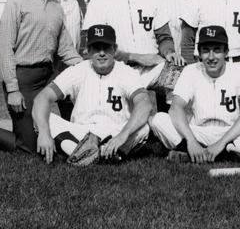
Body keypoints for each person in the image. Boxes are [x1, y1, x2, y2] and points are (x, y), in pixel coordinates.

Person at [0, 0, 83, 154]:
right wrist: (13, 89)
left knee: (72, 99)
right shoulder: (16, 2)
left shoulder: (56, 6)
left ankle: (75, 136)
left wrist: (86, 68)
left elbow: (65, 47)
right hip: (24, 78)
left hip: (48, 75)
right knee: (30, 147)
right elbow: (5, 48)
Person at [81, 0, 185, 111]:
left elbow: (164, 37)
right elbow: (88, 51)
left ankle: (167, 126)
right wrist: (135, 56)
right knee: (125, 123)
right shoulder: (99, 1)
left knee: (179, 73)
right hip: (116, 68)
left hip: (151, 69)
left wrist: (169, 52)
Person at [32, 24, 153, 166]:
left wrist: (122, 135)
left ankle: (83, 153)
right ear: (88, 51)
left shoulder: (126, 72)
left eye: (106, 48)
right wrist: (44, 133)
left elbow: (144, 104)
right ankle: (103, 154)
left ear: (115, 49)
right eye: (96, 48)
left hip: (115, 131)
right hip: (82, 133)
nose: (101, 53)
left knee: (143, 128)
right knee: (44, 119)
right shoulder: (78, 70)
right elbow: (43, 98)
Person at [149, 25, 240, 164]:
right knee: (159, 120)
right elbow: (176, 108)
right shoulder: (191, 71)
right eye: (206, 51)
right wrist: (191, 140)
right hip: (199, 132)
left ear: (226, 52)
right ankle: (222, 153)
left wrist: (221, 143)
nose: (211, 57)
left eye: (217, 50)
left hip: (230, 132)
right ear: (199, 53)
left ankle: (196, 153)